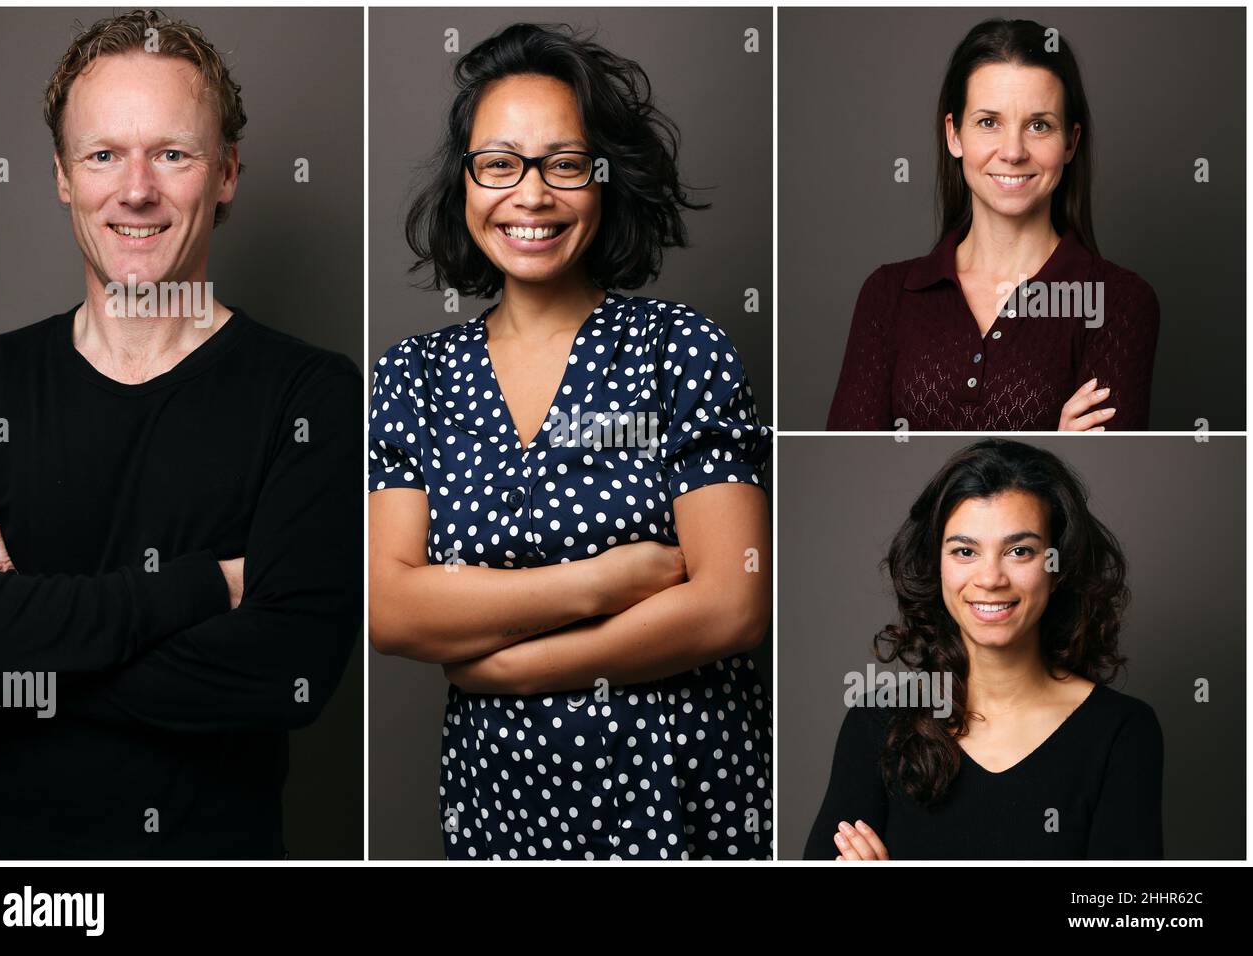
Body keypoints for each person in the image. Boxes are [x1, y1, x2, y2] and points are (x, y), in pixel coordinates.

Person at [0, 9, 361, 859]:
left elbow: (287, 675)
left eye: (171, 154)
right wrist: (206, 588)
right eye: (103, 154)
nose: (135, 189)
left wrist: (19, 653)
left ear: (227, 174)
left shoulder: (311, 395)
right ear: (64, 177)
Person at [369, 23, 773, 860]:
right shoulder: (413, 375)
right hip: (500, 811)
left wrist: (514, 669)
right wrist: (602, 580)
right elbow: (392, 608)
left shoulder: (681, 349)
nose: (531, 194)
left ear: (605, 181)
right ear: (465, 183)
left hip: (679, 801)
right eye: (500, 163)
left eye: (564, 163)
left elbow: (734, 602)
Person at [804, 438, 1163, 859]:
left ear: (1057, 565)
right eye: (964, 551)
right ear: (935, 564)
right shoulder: (876, 726)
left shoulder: (1122, 733)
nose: (990, 578)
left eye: (1020, 551)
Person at [826, 18, 1160, 431]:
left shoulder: (1119, 302)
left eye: (1039, 125)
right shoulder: (887, 295)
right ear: (955, 135)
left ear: (1071, 142)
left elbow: (1096, 463)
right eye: (988, 122)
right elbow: (856, 449)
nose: (1013, 151)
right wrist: (1055, 438)